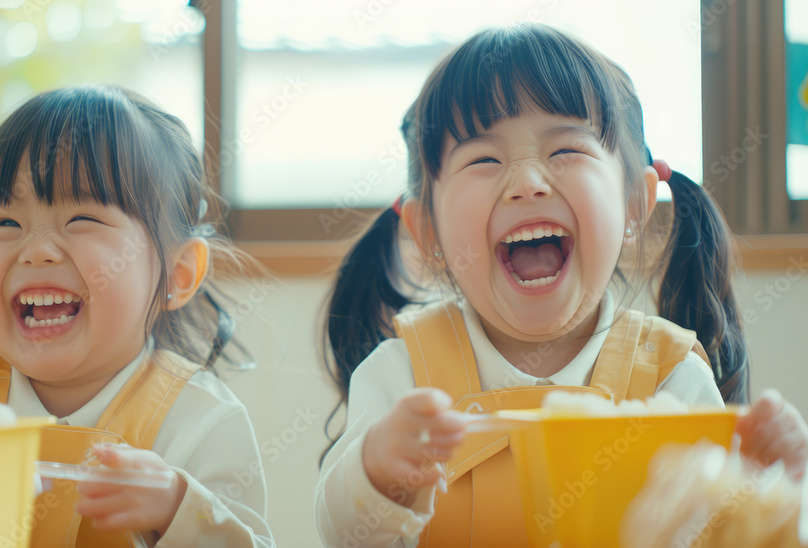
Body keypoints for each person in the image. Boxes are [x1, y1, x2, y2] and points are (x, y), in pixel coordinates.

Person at [316, 23, 805, 547]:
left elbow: (720, 526)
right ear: (428, 232)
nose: (528, 183)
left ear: (634, 206)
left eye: (566, 149)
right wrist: (378, 473)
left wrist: (772, 487)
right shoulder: (402, 375)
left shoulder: (672, 377)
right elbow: (343, 535)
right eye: (484, 159)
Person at [0, 85, 274, 547]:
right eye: (5, 223)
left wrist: (176, 508)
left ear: (177, 274)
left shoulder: (203, 422)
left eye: (82, 220)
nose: (36, 250)